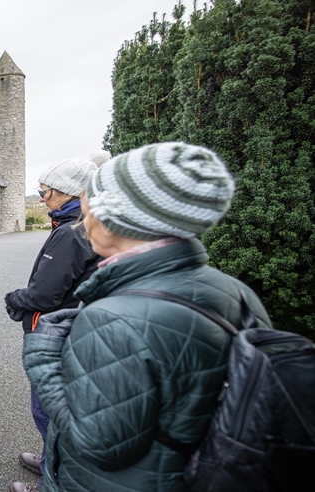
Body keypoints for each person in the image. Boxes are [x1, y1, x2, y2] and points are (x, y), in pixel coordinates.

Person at [22, 142, 273, 492]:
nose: (84, 218)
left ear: (115, 219)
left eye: (90, 206)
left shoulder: (112, 316)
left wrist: (44, 357)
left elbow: (101, 446)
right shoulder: (236, 292)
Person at [4, 157, 102, 492]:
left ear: (68, 193)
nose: (42, 198)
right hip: (76, 330)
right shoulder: (78, 224)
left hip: (58, 335)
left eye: (45, 191)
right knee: (58, 410)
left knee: (49, 411)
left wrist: (15, 300)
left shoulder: (71, 232)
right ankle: (50, 462)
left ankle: (53, 480)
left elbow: (44, 294)